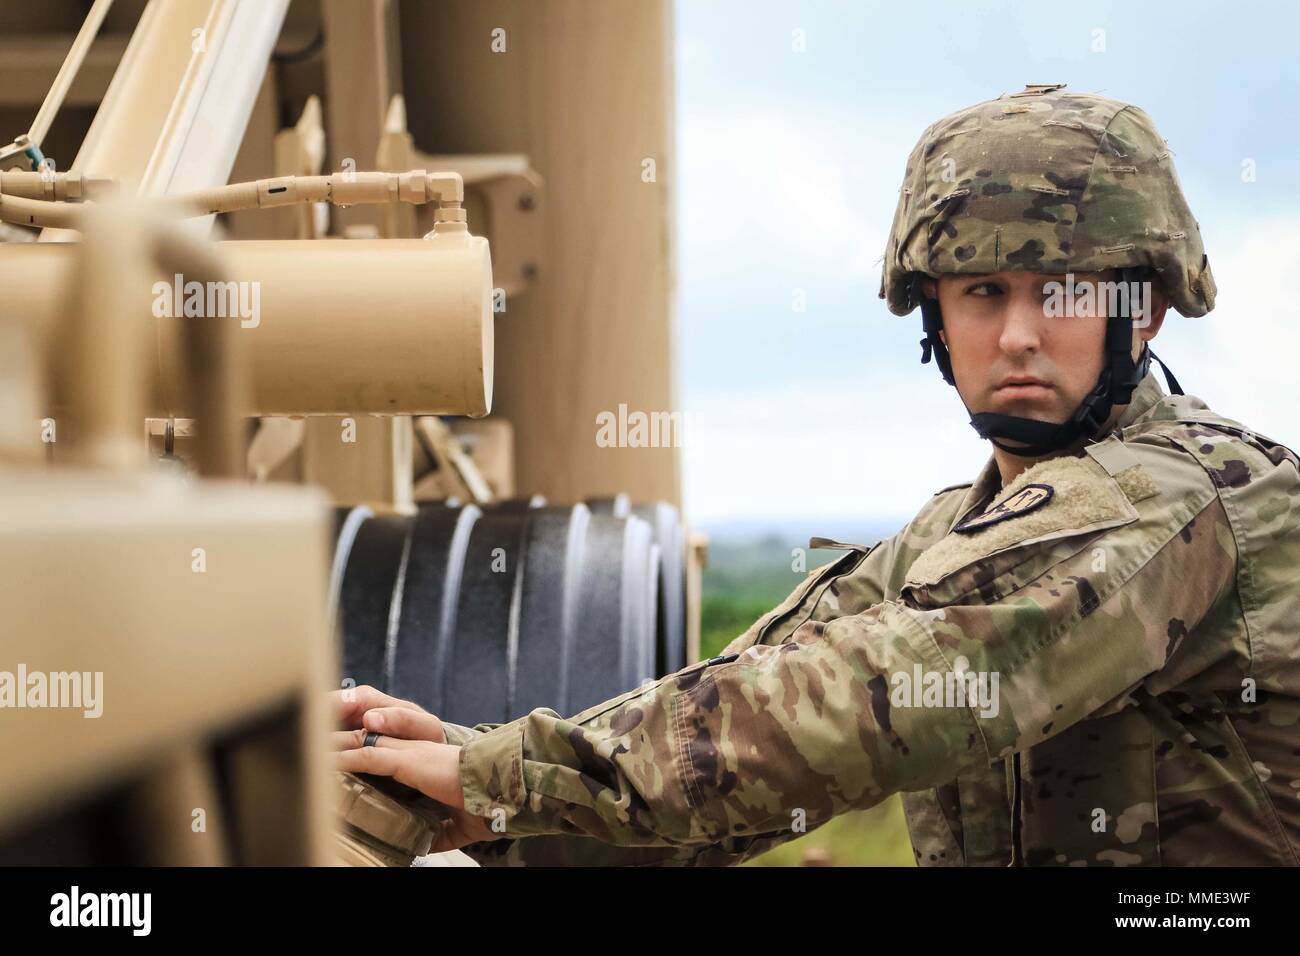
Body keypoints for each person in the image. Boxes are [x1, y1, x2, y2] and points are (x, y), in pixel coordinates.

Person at [335, 84, 1300, 866]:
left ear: (1144, 314)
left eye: (1062, 294)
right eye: (982, 293)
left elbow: (869, 698)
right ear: (933, 317)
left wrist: (504, 780)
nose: (1017, 335)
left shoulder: (1179, 500)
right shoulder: (954, 535)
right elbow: (750, 730)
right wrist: (464, 779)